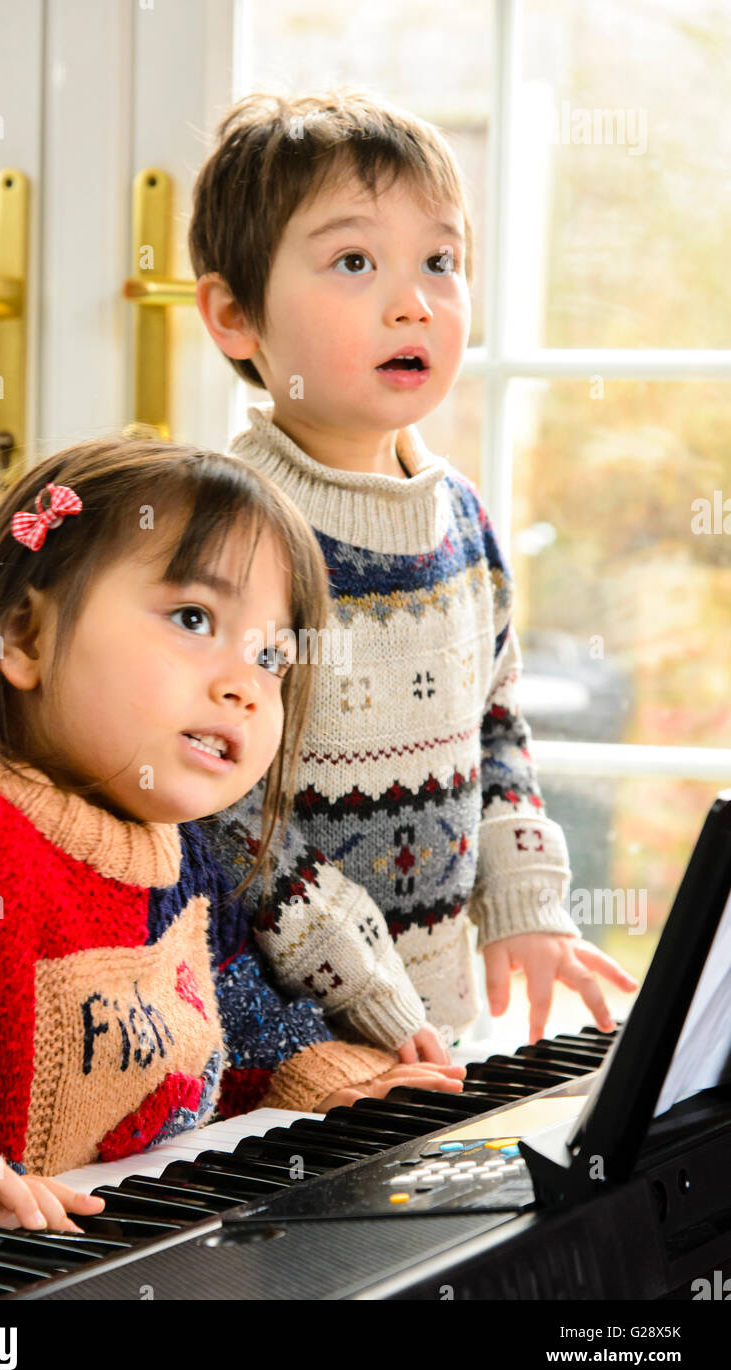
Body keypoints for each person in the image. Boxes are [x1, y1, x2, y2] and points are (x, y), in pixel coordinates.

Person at [0, 435, 465, 1247]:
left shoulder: (185, 862)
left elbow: (240, 1025)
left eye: (271, 658)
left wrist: (327, 1084)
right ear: (27, 638)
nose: (242, 686)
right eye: (193, 618)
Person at [189, 87, 638, 1061]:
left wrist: (524, 895)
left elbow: (494, 720)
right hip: (285, 1048)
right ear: (233, 314)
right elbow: (220, 804)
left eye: (440, 260)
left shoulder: (462, 518)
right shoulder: (232, 537)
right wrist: (370, 994)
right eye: (355, 261)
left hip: (432, 1028)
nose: (415, 300)